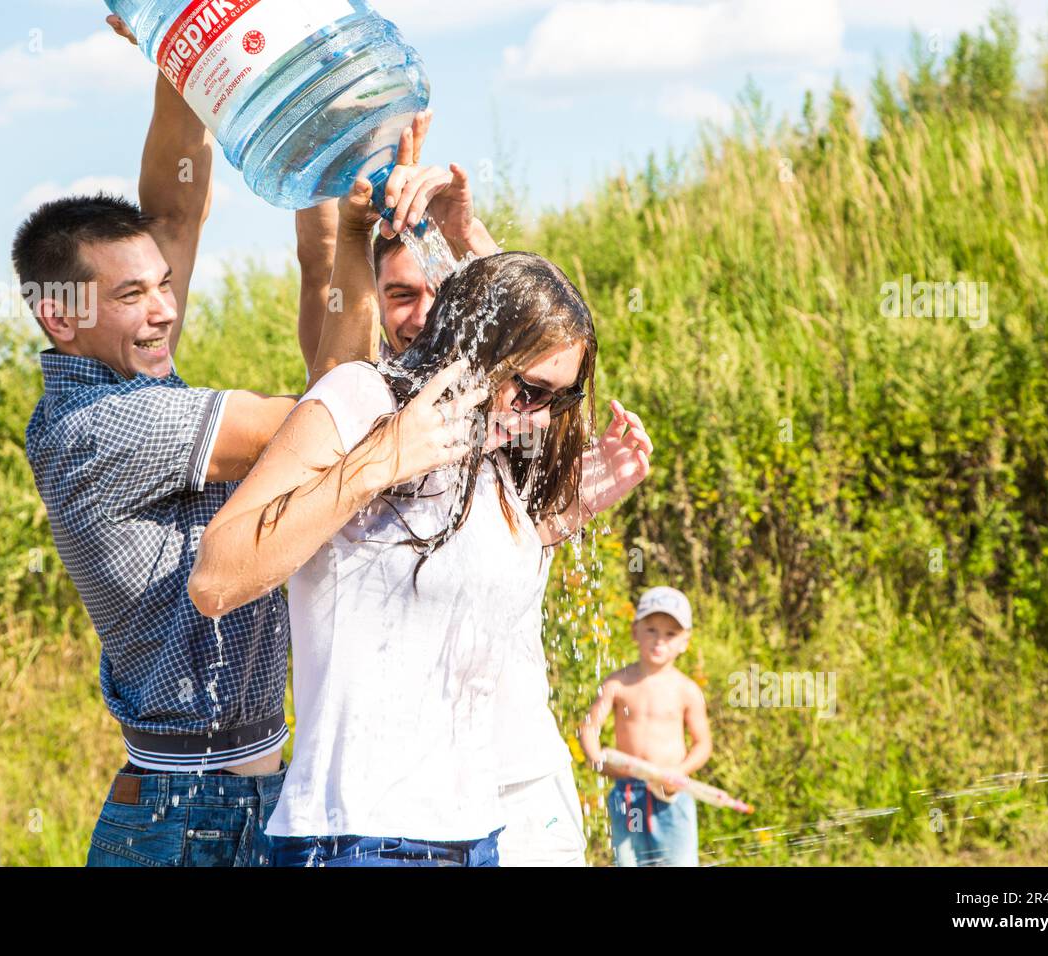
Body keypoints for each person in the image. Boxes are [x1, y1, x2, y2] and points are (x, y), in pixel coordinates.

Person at [16, 14, 439, 866]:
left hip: (257, 791)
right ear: (59, 315)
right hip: (185, 815)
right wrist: (356, 241)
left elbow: (174, 202)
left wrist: (183, 44)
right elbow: (333, 420)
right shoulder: (100, 428)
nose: (165, 309)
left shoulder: (127, 370)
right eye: (133, 295)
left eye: (164, 286)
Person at [188, 250, 653, 866]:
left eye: (558, 401)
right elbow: (216, 576)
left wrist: (561, 519)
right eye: (531, 390)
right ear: (476, 347)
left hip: (477, 833)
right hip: (359, 835)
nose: (537, 417)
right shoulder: (364, 397)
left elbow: (442, 605)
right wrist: (381, 458)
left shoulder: (486, 450)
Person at [317, 165, 598, 867]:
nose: (424, 313)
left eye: (440, 292)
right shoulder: (372, 412)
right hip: (410, 814)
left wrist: (463, 230)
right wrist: (346, 227)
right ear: (376, 305)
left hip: (526, 783)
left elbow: (559, 358)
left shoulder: (515, 414)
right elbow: (331, 365)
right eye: (400, 295)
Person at [578, 587, 712, 867]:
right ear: (634, 631)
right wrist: (597, 759)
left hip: (671, 792)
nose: (659, 640)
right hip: (628, 791)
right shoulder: (617, 684)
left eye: (670, 634)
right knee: (629, 862)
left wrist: (679, 772)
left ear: (685, 641)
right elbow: (590, 727)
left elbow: (703, 744)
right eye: (651, 629)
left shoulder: (686, 689)